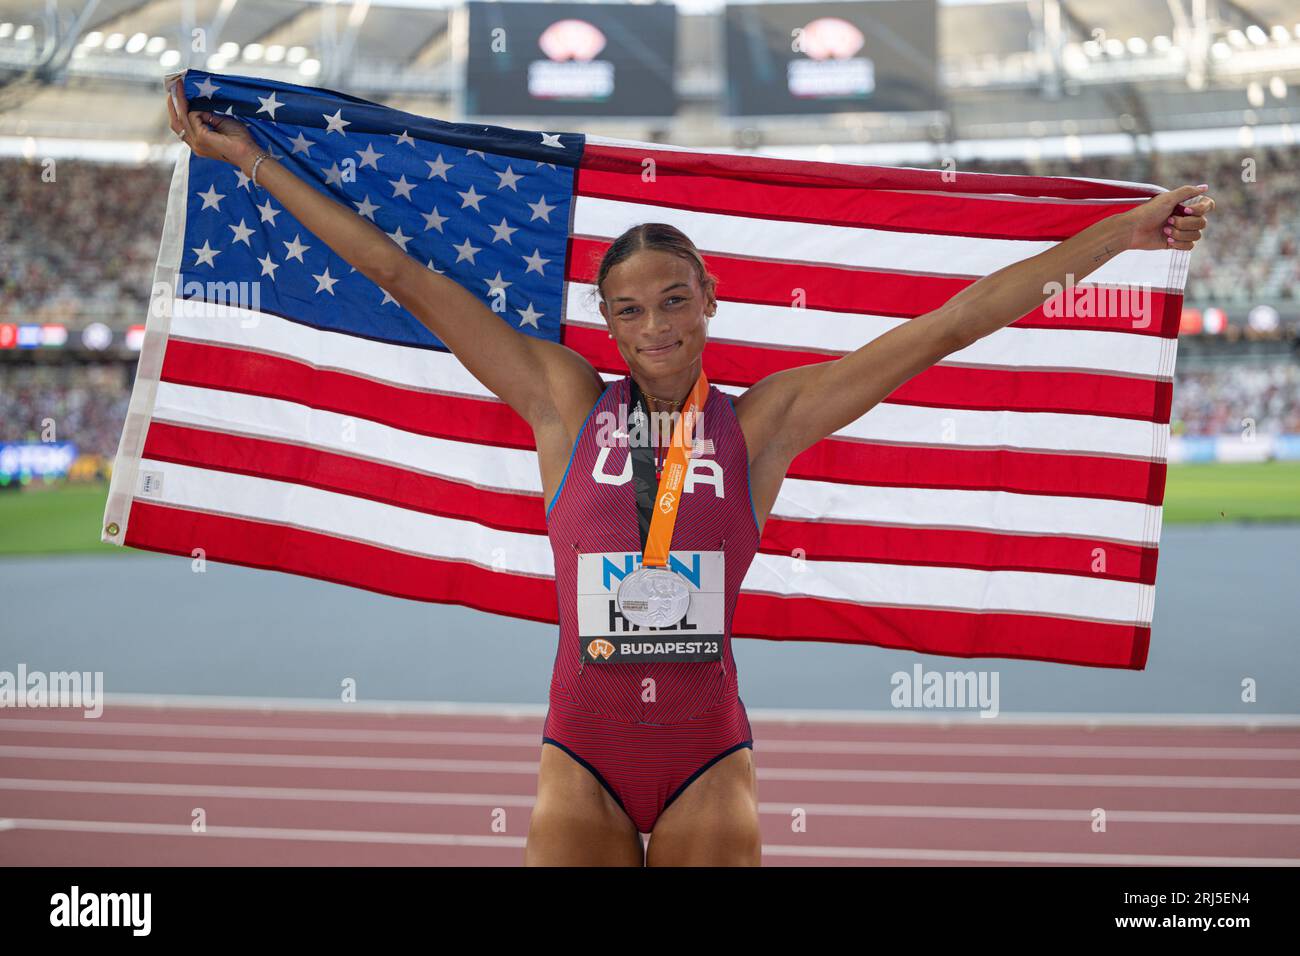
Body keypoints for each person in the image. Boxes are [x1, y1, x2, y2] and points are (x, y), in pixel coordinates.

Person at [167, 81, 1215, 866]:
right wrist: (251, 160)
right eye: (629, 308)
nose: (654, 324)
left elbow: (950, 322)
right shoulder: (560, 401)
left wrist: (1121, 234)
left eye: (674, 299)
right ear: (606, 322)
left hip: (710, 759)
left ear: (708, 300)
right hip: (579, 753)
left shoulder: (764, 423)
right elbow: (399, 272)